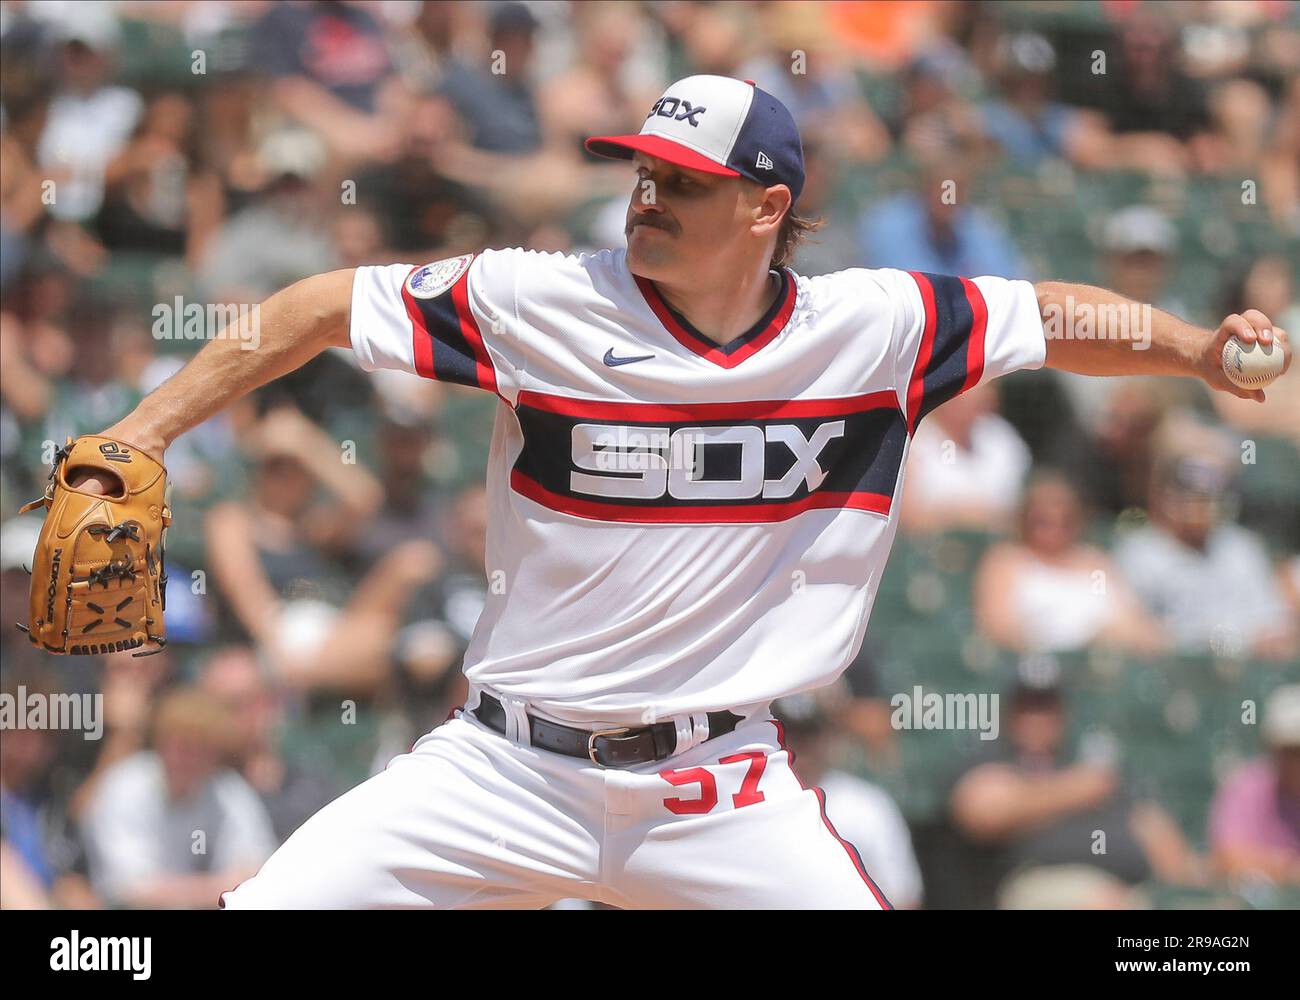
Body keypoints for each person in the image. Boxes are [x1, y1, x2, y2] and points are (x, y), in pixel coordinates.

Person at [66, 75, 1290, 909]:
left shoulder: (878, 326)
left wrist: (1188, 347)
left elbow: (1054, 318)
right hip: (502, 772)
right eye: (641, 173)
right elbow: (323, 306)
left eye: (683, 183)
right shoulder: (541, 300)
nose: (646, 197)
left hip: (721, 787)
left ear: (767, 207)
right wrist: (140, 429)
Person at [949, 676, 1206, 908]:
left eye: (1046, 708)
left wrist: (1188, 890)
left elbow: (1151, 825)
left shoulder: (1082, 755)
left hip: (1127, 887)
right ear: (1010, 714)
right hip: (1042, 885)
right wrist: (1076, 788)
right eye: (1027, 708)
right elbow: (980, 812)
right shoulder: (998, 756)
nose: (1037, 718)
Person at [973, 472, 1169, 655]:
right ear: (1025, 520)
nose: (1055, 531)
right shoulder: (1006, 561)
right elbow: (1000, 629)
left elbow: (1132, 618)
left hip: (1111, 662)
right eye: (1043, 522)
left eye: (1065, 521)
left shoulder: (1096, 562)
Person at [1207, 684, 1300, 887]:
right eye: (1290, 751)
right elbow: (1227, 858)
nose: (1295, 761)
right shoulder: (1246, 787)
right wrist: (1288, 868)